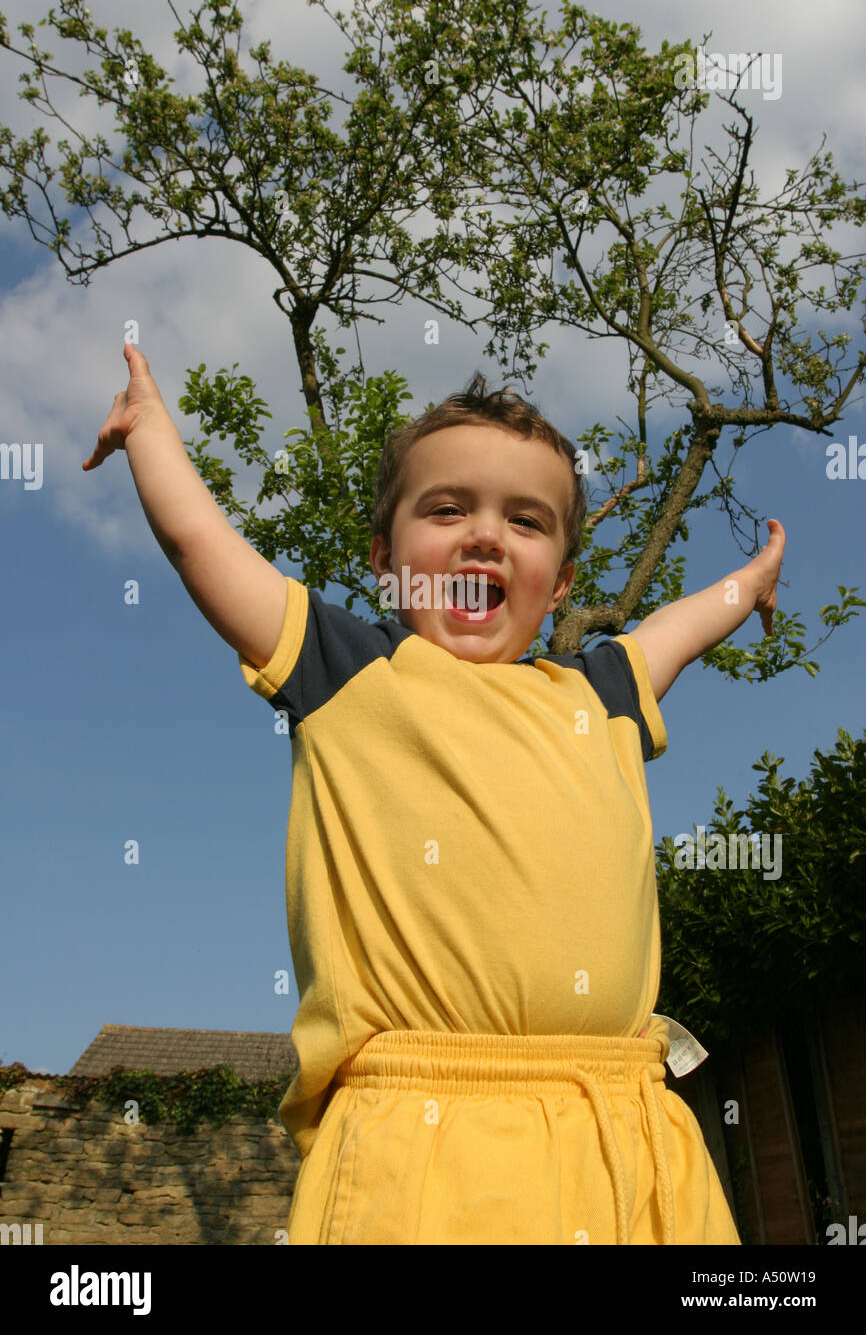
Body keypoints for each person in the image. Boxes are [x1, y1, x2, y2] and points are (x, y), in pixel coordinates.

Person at [84, 343, 785, 1245]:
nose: (486, 534)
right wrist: (148, 431)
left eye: (526, 521)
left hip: (630, 1130)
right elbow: (200, 544)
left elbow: (678, 628)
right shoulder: (349, 670)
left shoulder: (598, 695)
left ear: (564, 582)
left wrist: (753, 581)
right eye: (447, 508)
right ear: (386, 557)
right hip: (423, 1135)